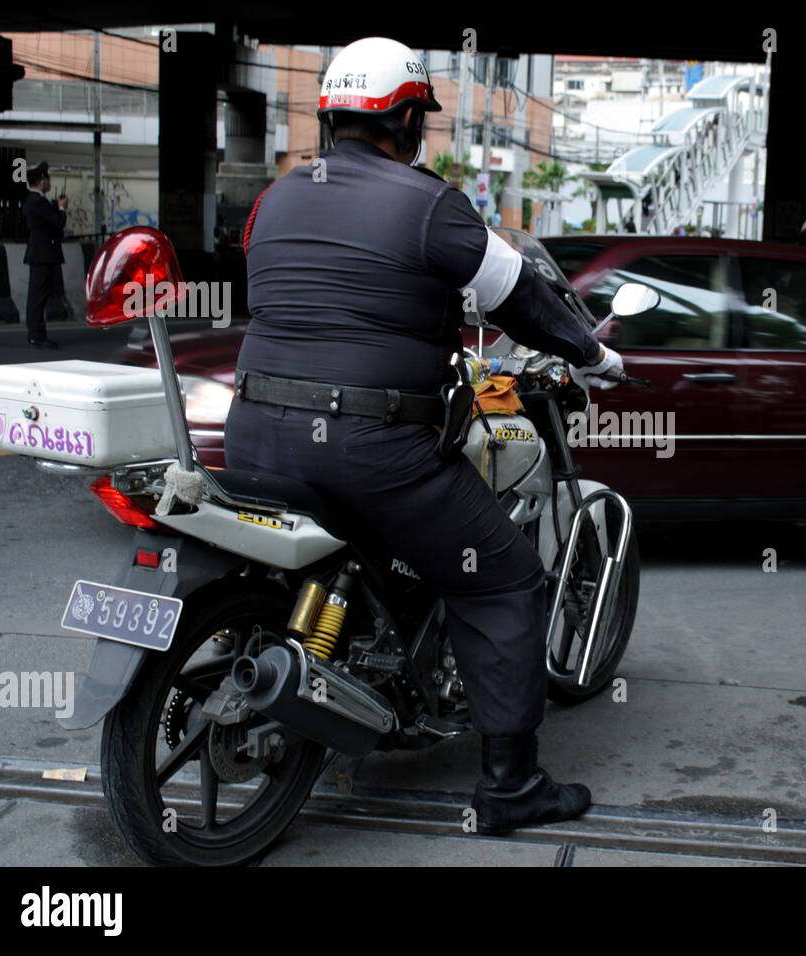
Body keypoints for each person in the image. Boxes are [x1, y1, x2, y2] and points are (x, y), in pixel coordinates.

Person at [223, 37, 625, 835]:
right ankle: (511, 787)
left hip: (253, 438)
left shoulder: (275, 198)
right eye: (419, 121)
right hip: (371, 450)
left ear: (332, 115)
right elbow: (520, 297)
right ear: (406, 118)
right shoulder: (428, 203)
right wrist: (594, 353)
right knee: (504, 577)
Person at [23, 161, 67, 349]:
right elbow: (57, 223)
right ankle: (36, 335)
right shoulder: (37, 202)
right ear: (41, 181)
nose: (49, 182)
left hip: (42, 254)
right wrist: (62, 208)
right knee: (38, 297)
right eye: (47, 179)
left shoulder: (35, 201)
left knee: (38, 296)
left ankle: (37, 333)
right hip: (42, 254)